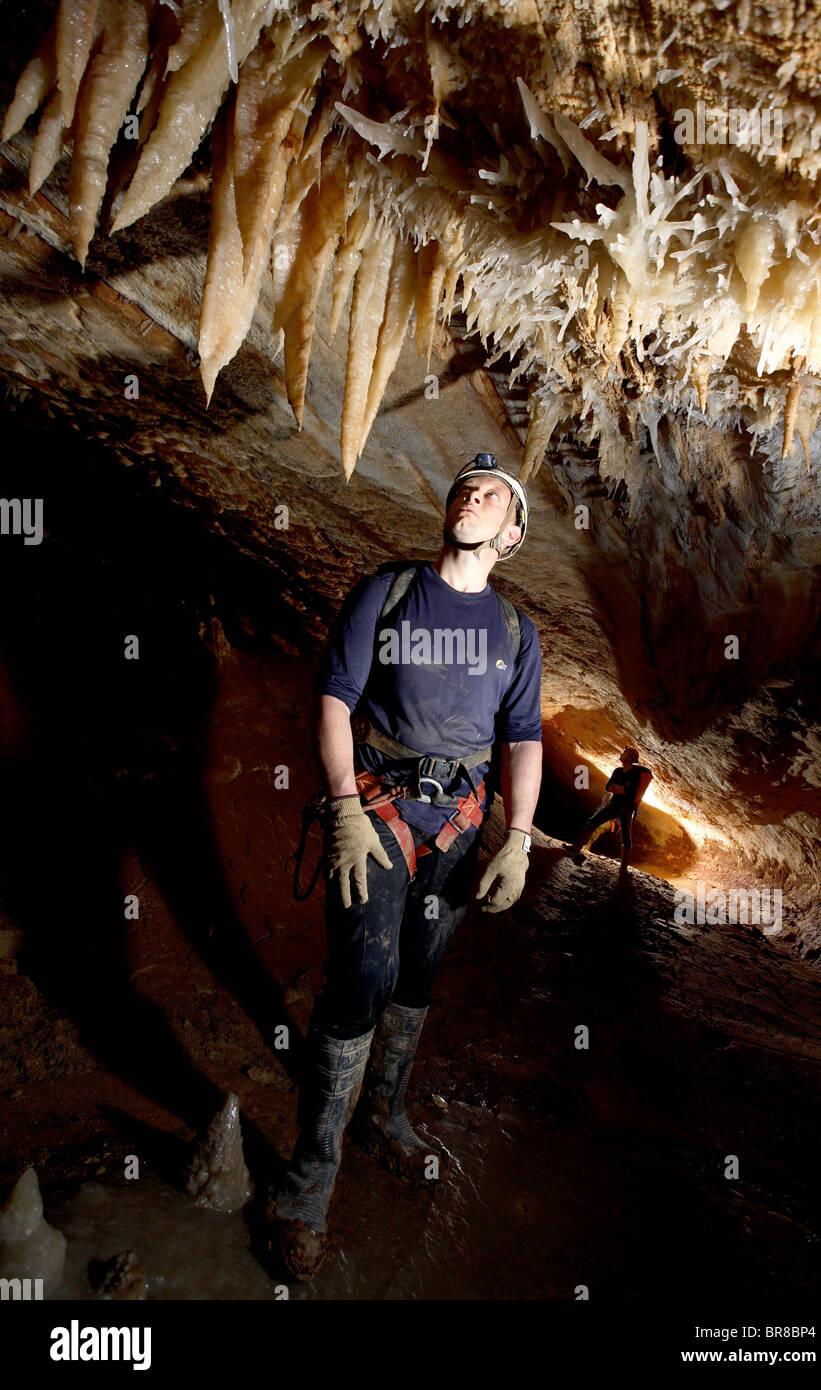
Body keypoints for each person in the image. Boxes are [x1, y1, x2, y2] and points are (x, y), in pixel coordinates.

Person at [270, 453, 543, 1281]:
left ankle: (382, 1108)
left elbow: (522, 737)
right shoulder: (386, 592)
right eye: (466, 486)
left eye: (493, 494)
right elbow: (336, 696)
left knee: (419, 974)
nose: (473, 494)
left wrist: (521, 837)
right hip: (379, 809)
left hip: (459, 823)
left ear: (512, 533)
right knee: (363, 973)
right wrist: (344, 809)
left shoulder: (515, 633)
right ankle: (309, 1179)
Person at [572, 747, 652, 881]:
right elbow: (608, 787)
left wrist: (619, 788)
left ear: (630, 758)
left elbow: (631, 792)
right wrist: (621, 788)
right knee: (592, 821)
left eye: (624, 753)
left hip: (626, 809)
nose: (621, 754)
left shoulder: (635, 774)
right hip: (613, 806)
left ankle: (624, 867)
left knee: (625, 836)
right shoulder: (617, 771)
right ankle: (577, 847)